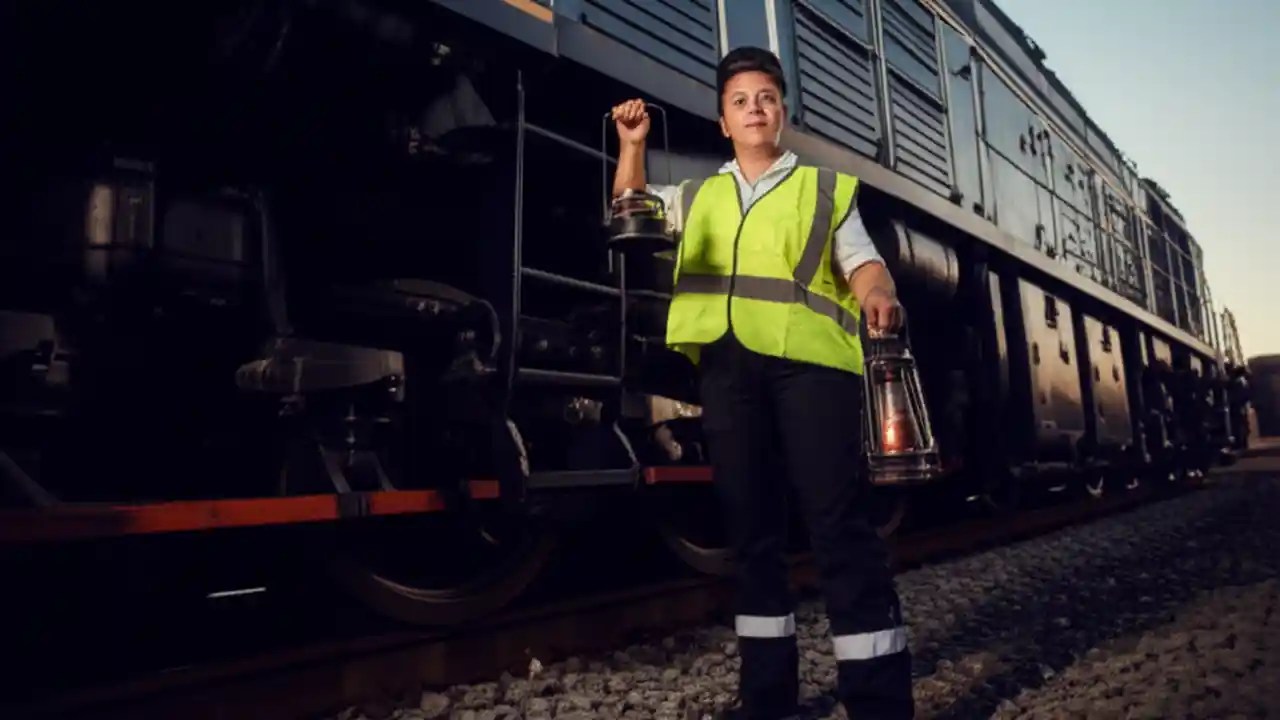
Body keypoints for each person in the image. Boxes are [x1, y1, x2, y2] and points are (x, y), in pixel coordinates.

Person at [610, 47, 914, 719]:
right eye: (741, 100)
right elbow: (630, 205)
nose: (755, 108)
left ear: (782, 114)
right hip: (728, 371)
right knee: (751, 534)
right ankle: (767, 700)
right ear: (724, 121)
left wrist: (879, 294)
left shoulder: (823, 190)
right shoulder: (696, 197)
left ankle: (879, 702)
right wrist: (632, 145)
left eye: (766, 98)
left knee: (838, 528)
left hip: (812, 371)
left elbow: (863, 263)